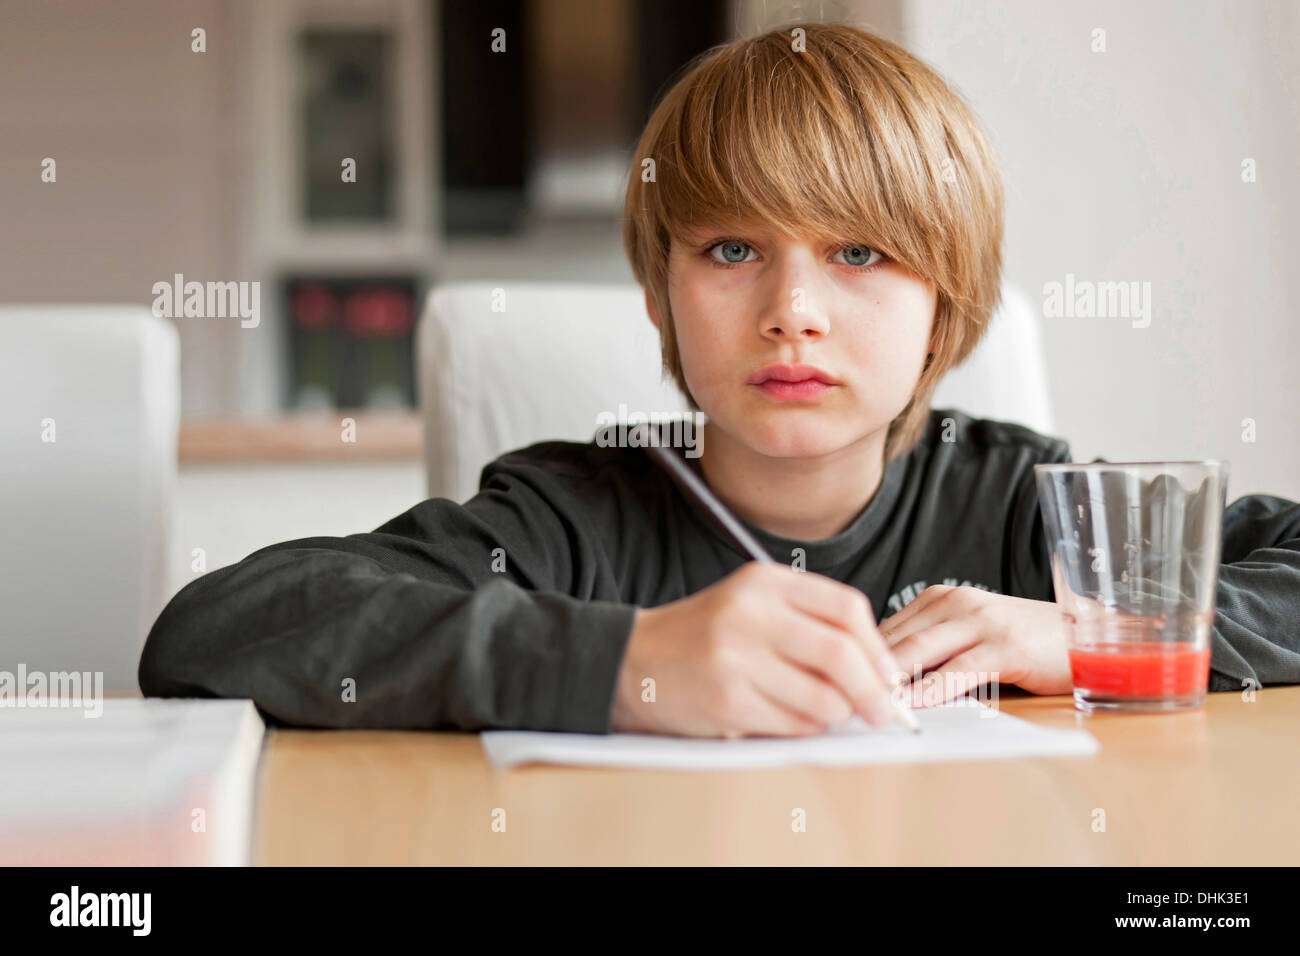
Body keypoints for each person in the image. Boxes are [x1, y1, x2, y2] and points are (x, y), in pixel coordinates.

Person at [139, 23, 1300, 737]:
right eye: (732, 251)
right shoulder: (569, 516)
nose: (791, 308)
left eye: (858, 253)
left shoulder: (1018, 503)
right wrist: (620, 664)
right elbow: (211, 628)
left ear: (944, 306)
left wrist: (1112, 634)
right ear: (658, 298)